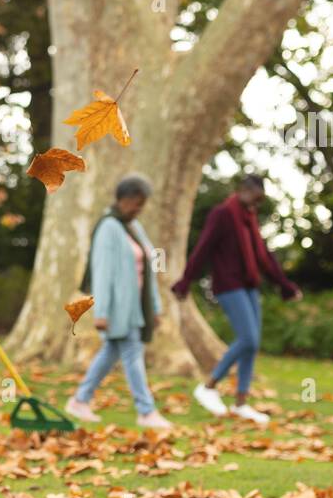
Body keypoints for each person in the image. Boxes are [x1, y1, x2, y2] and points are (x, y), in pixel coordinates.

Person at [171, 173, 303, 425]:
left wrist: (286, 286)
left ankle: (241, 403)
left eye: (261, 200)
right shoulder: (222, 214)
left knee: (252, 345)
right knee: (248, 339)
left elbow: (264, 257)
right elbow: (203, 248)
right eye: (255, 197)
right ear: (243, 190)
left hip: (249, 285)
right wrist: (186, 281)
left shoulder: (249, 219)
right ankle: (208, 386)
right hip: (227, 285)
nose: (257, 204)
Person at [65, 175, 172, 430]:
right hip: (118, 308)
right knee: (133, 353)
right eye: (137, 203)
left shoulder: (134, 227)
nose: (139, 209)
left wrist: (155, 308)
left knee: (112, 352)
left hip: (137, 306)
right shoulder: (108, 227)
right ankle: (146, 411)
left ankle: (80, 400)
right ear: (123, 200)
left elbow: (147, 269)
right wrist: (100, 312)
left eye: (142, 204)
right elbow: (102, 272)